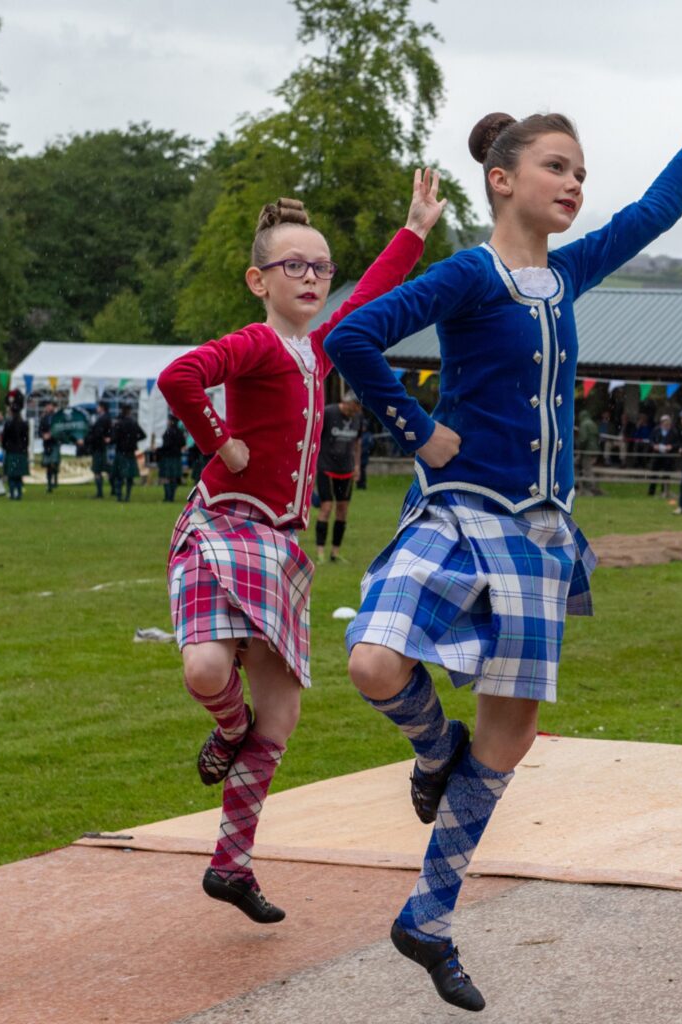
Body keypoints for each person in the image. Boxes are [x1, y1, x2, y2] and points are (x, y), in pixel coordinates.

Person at [322, 33, 682, 1012]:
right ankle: (435, 751)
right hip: (460, 506)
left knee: (511, 739)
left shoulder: (575, 270)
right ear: (502, 178)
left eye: (581, 173)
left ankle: (426, 920)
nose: (575, 185)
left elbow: (659, 208)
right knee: (374, 664)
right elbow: (353, 333)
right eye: (557, 167)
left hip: (544, 532)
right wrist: (420, 431)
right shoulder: (470, 275)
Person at [156, 177, 441, 928]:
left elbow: (372, 291)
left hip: (279, 545)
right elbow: (178, 377)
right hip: (223, 526)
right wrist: (223, 443)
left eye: (320, 267)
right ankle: (224, 732)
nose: (313, 278)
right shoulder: (254, 343)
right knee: (207, 670)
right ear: (259, 280)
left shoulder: (321, 344)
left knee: (278, 719)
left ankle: (232, 865)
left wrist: (413, 229)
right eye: (295, 267)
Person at [314, 391, 364, 562]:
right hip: (326, 468)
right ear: (346, 401)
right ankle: (320, 552)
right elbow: (315, 438)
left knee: (342, 510)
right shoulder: (328, 413)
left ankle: (335, 553)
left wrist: (357, 465)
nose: (354, 412)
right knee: (326, 507)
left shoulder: (358, 417)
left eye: (357, 409)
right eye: (353, 407)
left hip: (347, 470)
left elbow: (357, 443)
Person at [111, 404, 146, 503]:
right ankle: (127, 496)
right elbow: (143, 435)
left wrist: (116, 440)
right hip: (130, 452)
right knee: (129, 477)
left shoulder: (119, 423)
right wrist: (133, 440)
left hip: (121, 452)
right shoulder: (133, 423)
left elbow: (114, 439)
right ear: (129, 412)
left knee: (119, 476)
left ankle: (119, 496)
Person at [1, 404, 29, 501]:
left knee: (11, 475)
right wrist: (24, 449)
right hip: (21, 452)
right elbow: (26, 439)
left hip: (11, 451)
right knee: (18, 475)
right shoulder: (24, 424)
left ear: (11, 412)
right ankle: (19, 494)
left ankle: (12, 494)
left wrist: (5, 447)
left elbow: (4, 438)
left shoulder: (8, 424)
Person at [157, 417, 186, 503]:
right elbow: (183, 443)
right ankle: (171, 497)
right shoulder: (180, 432)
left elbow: (166, 445)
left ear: (171, 421)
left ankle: (167, 497)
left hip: (168, 457)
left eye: (169, 420)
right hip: (176, 457)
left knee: (166, 478)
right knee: (174, 478)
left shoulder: (168, 432)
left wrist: (158, 450)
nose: (168, 422)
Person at [574, 407, 602, 496]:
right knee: (588, 468)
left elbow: (584, 439)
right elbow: (597, 437)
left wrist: (580, 448)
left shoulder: (584, 424)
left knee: (587, 469)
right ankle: (589, 486)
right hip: (595, 450)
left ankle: (590, 488)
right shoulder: (593, 424)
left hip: (587, 450)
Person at [647, 412, 676, 498]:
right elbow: (651, 440)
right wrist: (654, 445)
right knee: (654, 473)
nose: (666, 424)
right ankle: (651, 491)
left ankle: (665, 491)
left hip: (668, 456)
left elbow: (676, 443)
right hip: (657, 454)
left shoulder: (673, 431)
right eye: (664, 422)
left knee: (666, 474)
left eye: (668, 423)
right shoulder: (656, 430)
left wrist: (671, 446)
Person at [89, 399, 113, 499]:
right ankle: (114, 490)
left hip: (99, 448)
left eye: (98, 406)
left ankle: (100, 493)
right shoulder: (107, 417)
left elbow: (97, 434)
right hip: (103, 447)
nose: (97, 408)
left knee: (98, 471)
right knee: (108, 470)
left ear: (102, 407)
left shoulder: (102, 419)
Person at [38, 400, 62, 492]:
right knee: (48, 465)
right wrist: (43, 435)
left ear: (53, 407)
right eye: (47, 406)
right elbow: (39, 431)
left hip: (55, 443)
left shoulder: (58, 417)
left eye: (50, 405)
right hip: (47, 444)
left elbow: (60, 430)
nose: (48, 407)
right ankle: (49, 485)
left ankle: (55, 479)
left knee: (54, 463)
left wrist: (52, 434)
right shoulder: (43, 418)